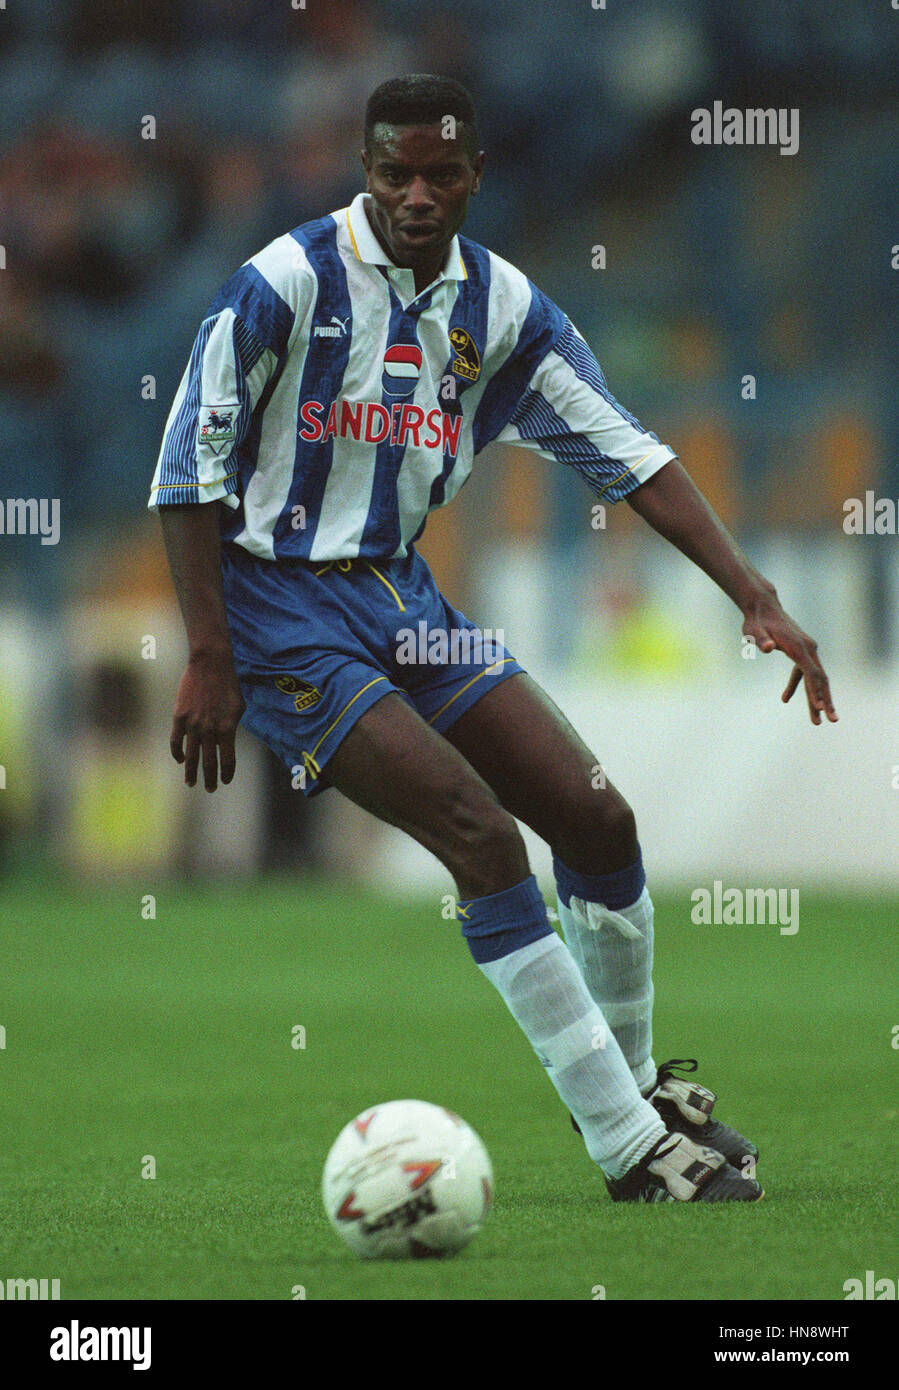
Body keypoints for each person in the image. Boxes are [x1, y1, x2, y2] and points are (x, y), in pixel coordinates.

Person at [150, 75, 837, 1204]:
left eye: (438, 173)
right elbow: (189, 469)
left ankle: (634, 1090)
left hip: (403, 601)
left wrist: (751, 593)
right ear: (364, 170)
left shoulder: (503, 310)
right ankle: (625, 1146)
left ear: (475, 175)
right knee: (478, 832)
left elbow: (627, 451)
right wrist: (209, 654)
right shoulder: (281, 283)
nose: (414, 194)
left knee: (595, 814)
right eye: (392, 172)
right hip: (273, 604)